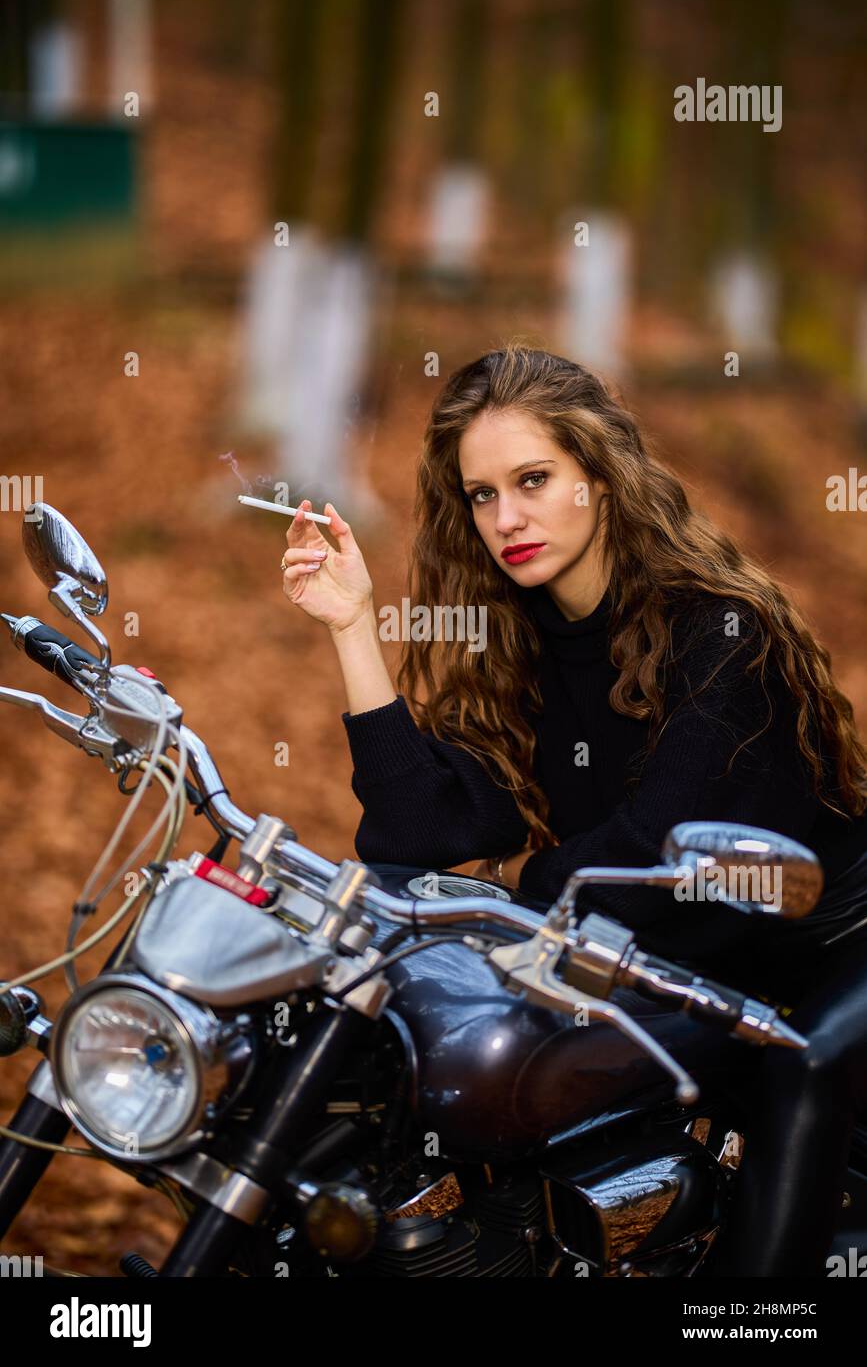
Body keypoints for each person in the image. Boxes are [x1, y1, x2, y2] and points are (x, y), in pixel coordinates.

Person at [279, 345, 867, 1276]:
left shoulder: (720, 631)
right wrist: (353, 626)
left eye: (533, 480)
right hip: (677, 959)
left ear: (598, 475)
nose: (506, 518)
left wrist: (514, 883)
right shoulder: (519, 646)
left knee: (799, 1065)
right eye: (481, 496)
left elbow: (650, 855)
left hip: (828, 942)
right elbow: (414, 835)